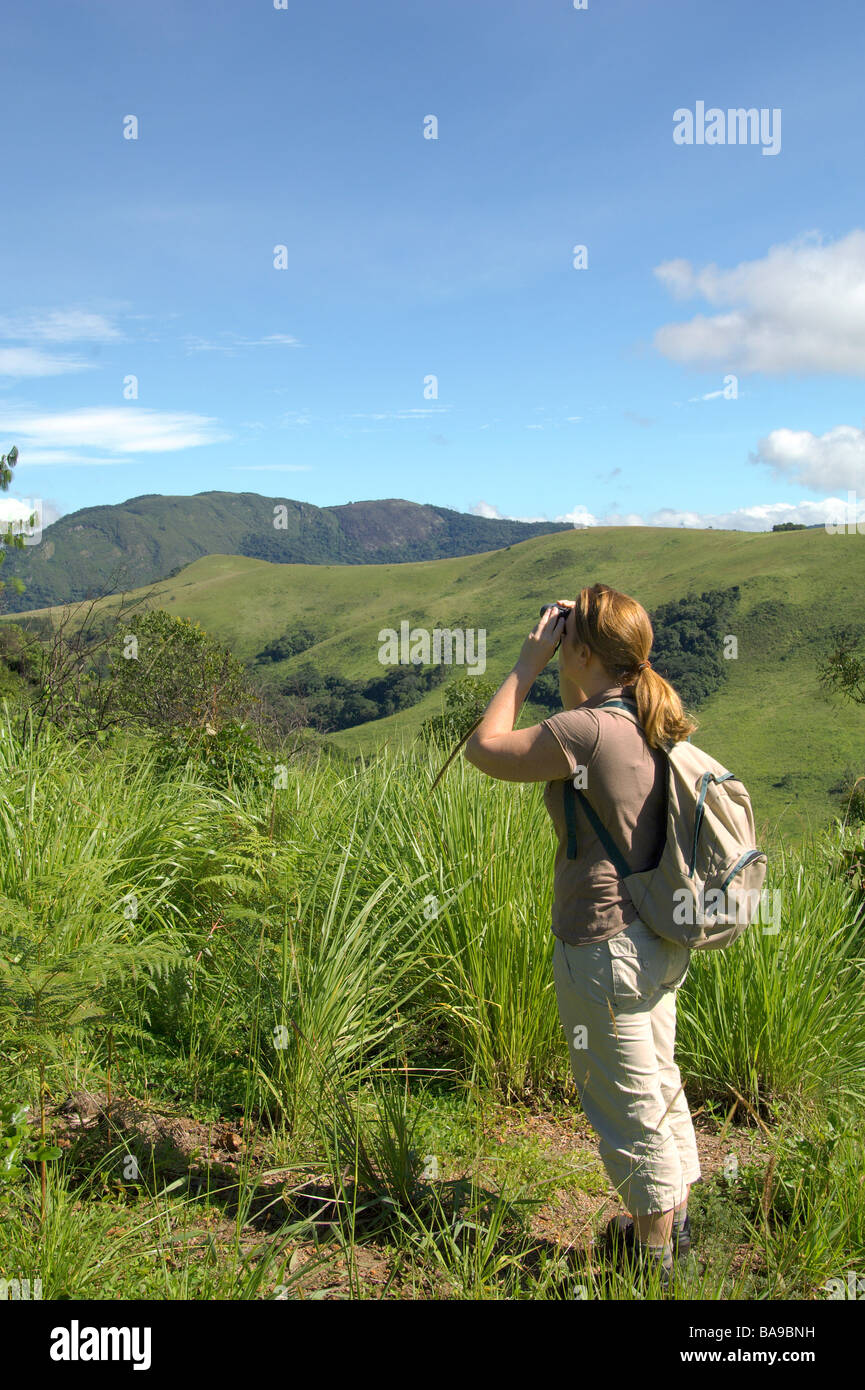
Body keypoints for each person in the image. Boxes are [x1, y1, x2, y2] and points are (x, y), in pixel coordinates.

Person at [463, 581, 701, 1288]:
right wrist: (570, 666)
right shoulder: (641, 716)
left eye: (569, 634)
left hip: (604, 944)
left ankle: (650, 1269)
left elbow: (485, 749)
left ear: (586, 649)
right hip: (656, 938)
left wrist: (528, 662)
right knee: (655, 1083)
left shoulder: (586, 731)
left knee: (626, 1106)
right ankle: (670, 1235)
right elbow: (580, 733)